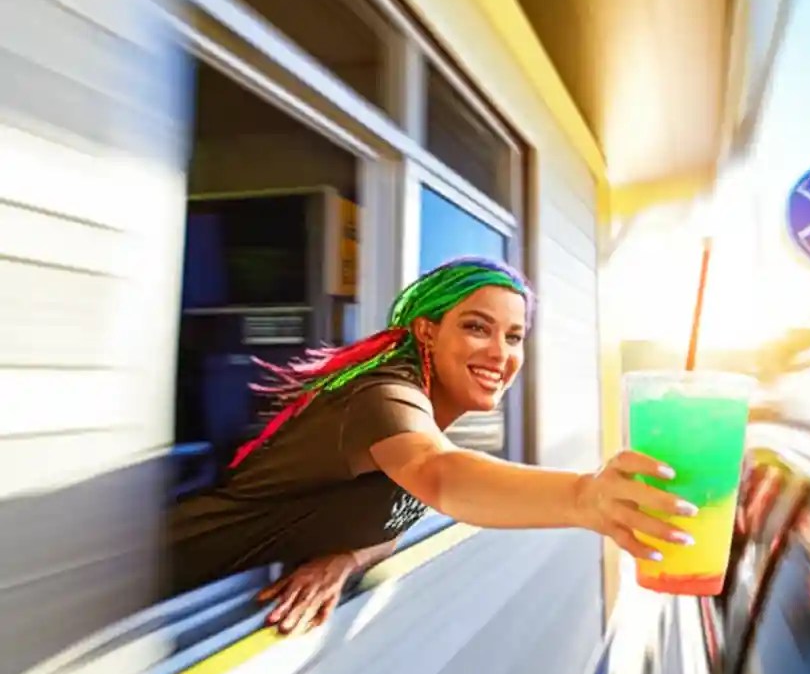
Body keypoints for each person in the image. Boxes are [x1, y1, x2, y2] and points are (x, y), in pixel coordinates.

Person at [167, 256, 694, 634]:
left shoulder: (427, 413)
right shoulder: (382, 396)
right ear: (426, 331)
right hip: (153, 585)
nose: (500, 352)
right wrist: (585, 498)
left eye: (514, 337)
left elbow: (395, 517)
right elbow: (440, 477)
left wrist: (346, 557)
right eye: (476, 327)